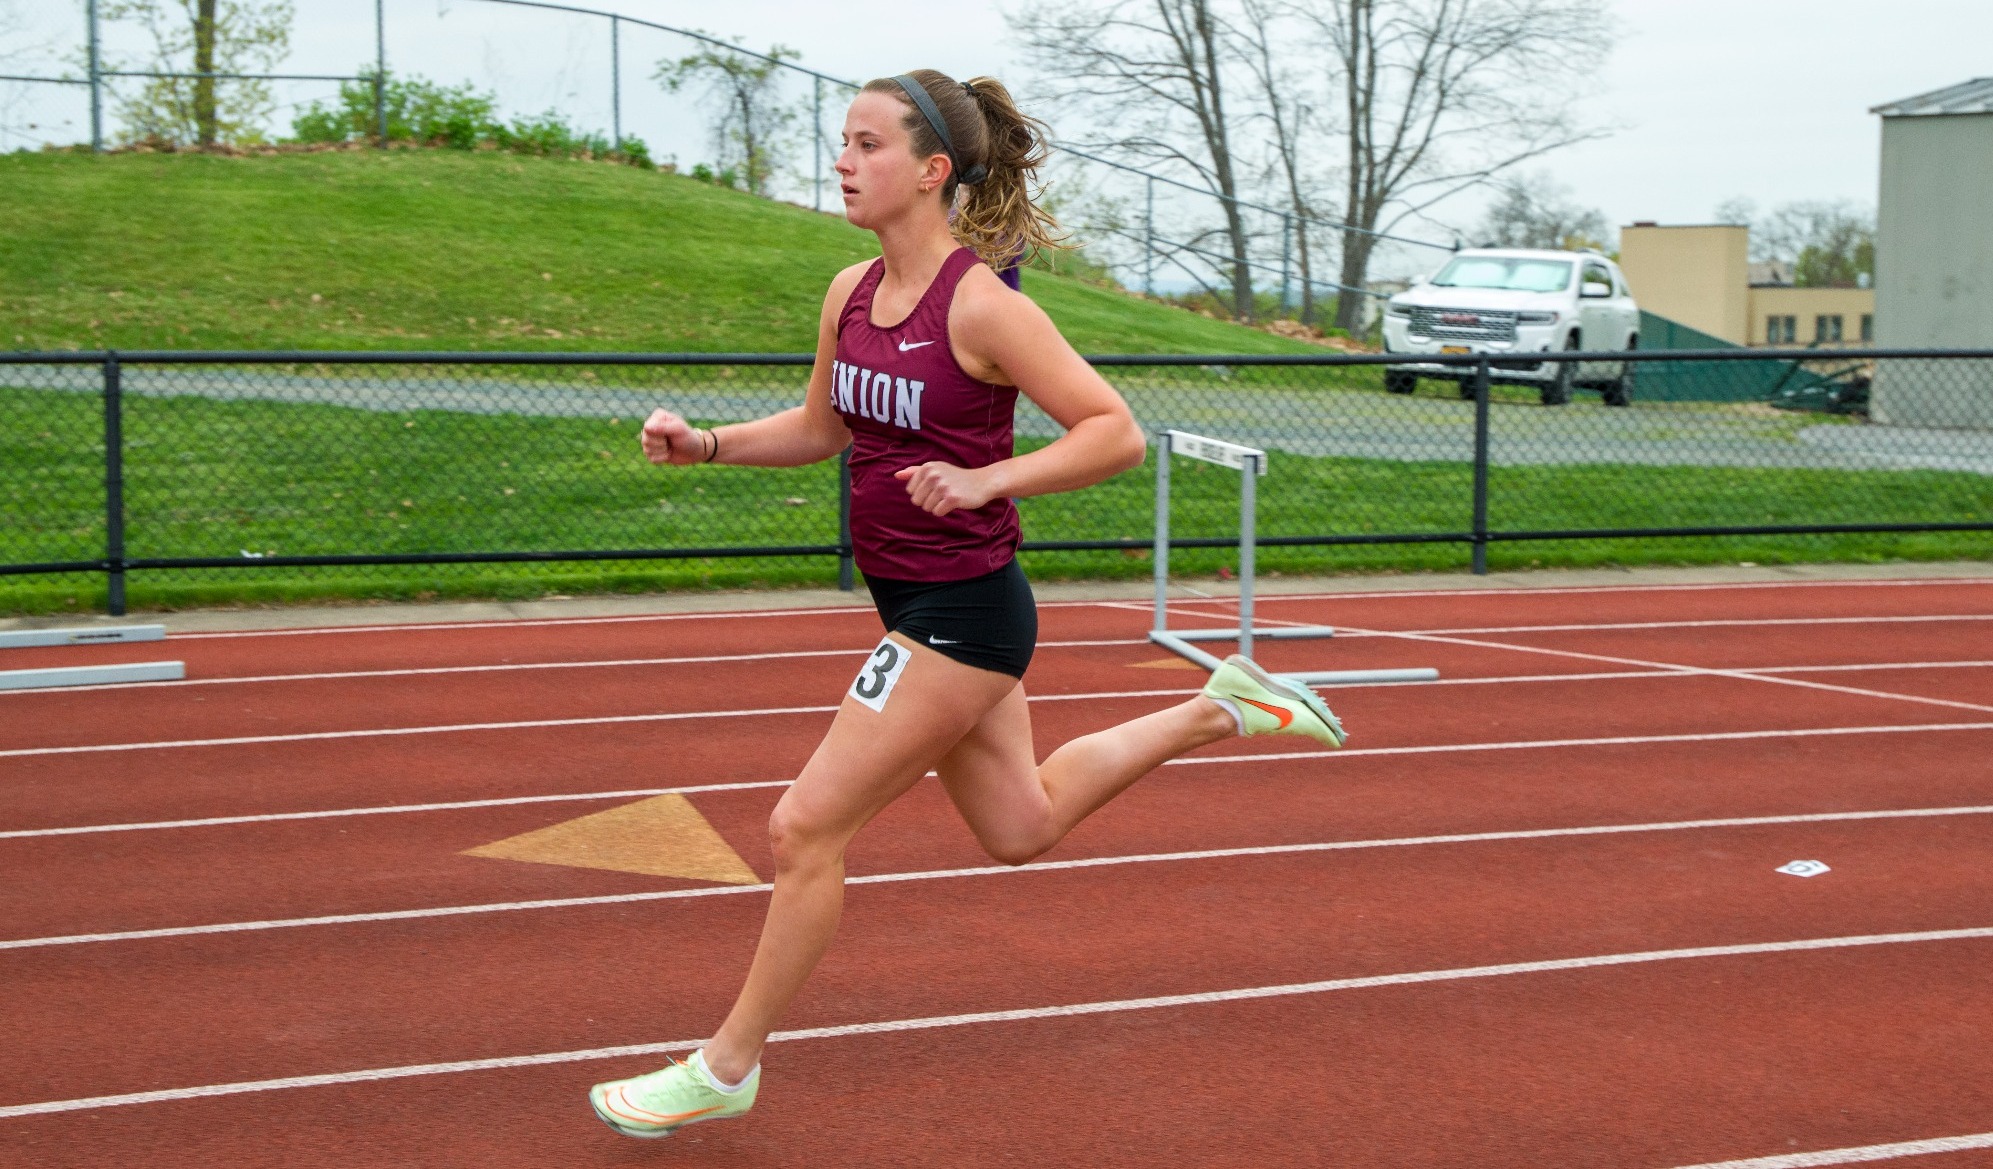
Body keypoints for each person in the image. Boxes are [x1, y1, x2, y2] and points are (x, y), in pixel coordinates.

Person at [589, 68, 1347, 1140]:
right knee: (1018, 826)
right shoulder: (848, 291)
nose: (843, 161)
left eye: (866, 144)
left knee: (804, 827)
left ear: (932, 170)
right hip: (914, 603)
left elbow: (1111, 430)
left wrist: (993, 478)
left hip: (964, 614)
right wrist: (706, 443)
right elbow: (822, 428)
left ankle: (726, 1063)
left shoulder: (984, 304)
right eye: (840, 141)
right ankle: (1217, 706)